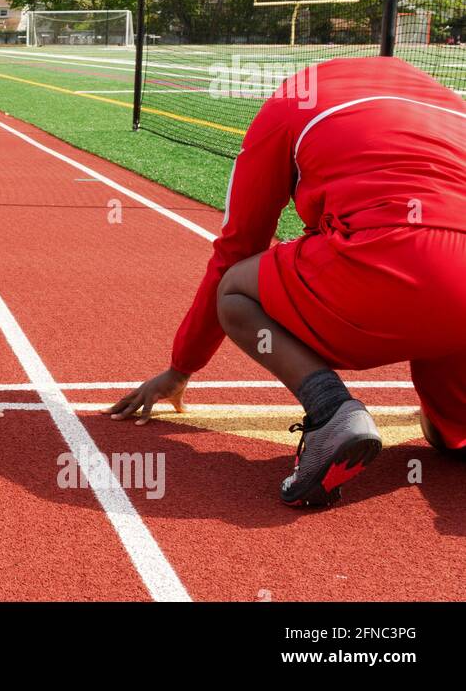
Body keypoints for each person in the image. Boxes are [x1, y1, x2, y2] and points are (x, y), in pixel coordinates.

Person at [110, 57, 466, 506]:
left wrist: (183, 366)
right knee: (449, 435)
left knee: (236, 290)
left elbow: (238, 248)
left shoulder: (292, 104)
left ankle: (330, 410)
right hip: (458, 308)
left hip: (376, 272)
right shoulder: (450, 105)